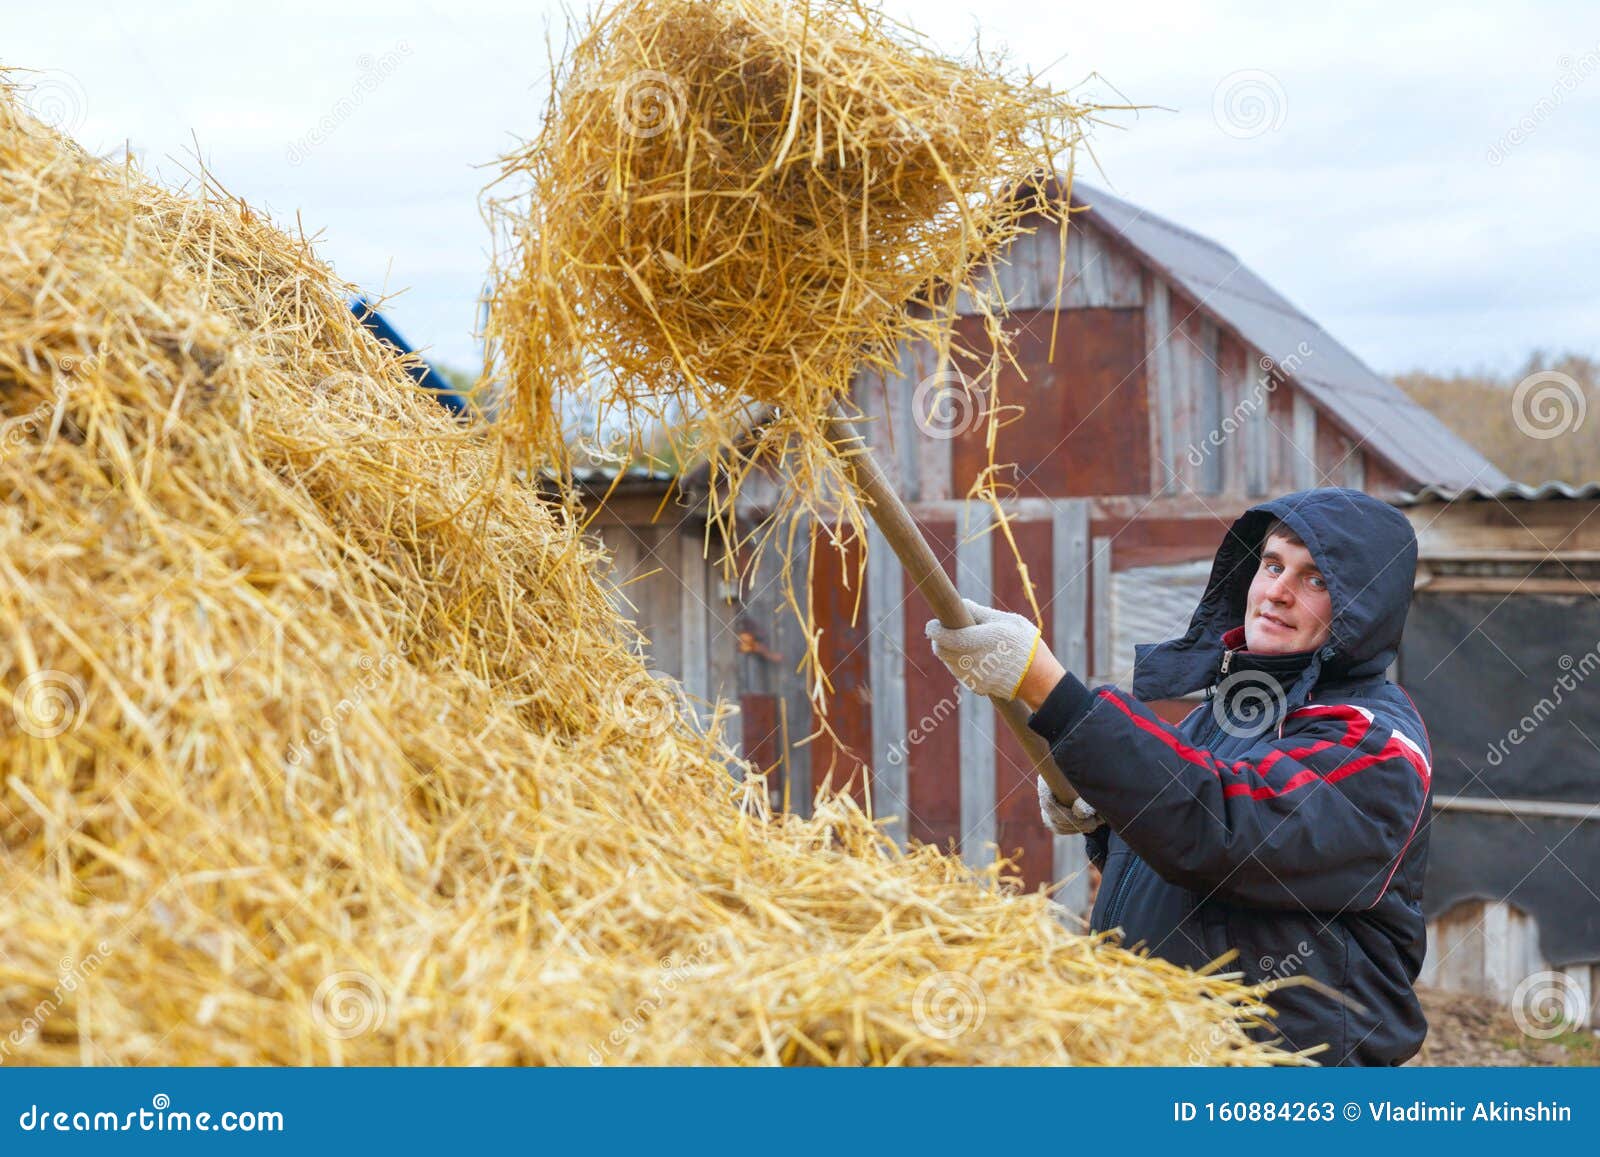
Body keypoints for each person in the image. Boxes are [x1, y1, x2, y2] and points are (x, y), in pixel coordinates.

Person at [925, 487, 1433, 1065]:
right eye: (1272, 565)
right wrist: (1107, 819)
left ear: (1364, 608)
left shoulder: (1372, 743)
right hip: (1162, 1046)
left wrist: (1050, 690)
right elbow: (1179, 855)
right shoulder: (1222, 718)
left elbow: (1227, 828)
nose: (1277, 592)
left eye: (1317, 580)